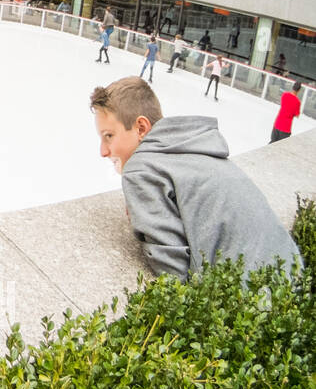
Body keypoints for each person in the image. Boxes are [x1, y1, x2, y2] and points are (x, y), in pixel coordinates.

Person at [90, 76, 302, 283]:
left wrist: (141, 221)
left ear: (141, 128)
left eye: (109, 136)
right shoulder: (196, 148)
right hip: (295, 279)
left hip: (258, 302)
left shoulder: (140, 167)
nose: (103, 151)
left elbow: (175, 274)